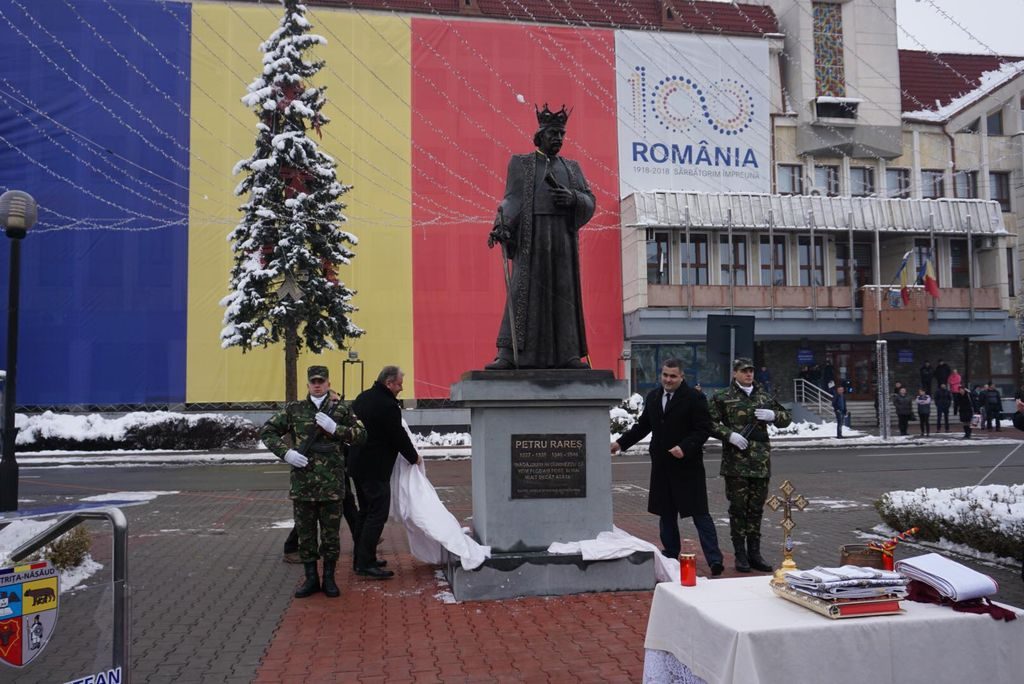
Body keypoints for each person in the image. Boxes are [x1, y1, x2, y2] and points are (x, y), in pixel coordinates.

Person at [484, 103, 596, 370]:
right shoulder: (521, 163)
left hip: (562, 239)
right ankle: (509, 353)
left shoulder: (572, 168)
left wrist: (573, 198)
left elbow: (590, 201)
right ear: (540, 135)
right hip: (530, 238)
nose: (558, 139)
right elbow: (512, 199)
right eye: (553, 134)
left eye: (561, 134)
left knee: (563, 292)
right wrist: (501, 224)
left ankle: (569, 354)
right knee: (523, 291)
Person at [611, 359, 724, 577]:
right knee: (666, 514)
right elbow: (643, 426)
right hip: (662, 466)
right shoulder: (654, 396)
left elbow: (703, 430)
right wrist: (620, 443)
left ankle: (714, 559)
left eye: (673, 376)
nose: (668, 380)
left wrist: (684, 447)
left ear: (682, 377)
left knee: (700, 514)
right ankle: (671, 555)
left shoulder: (694, 397)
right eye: (665, 375)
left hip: (687, 466)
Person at [261, 365, 367, 598]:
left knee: (330, 537)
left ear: (328, 383)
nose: (317, 385)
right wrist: (286, 453)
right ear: (308, 384)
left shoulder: (340, 410)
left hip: (331, 486)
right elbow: (267, 431)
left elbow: (361, 436)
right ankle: (311, 579)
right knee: (306, 535)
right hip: (303, 485)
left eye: (321, 381)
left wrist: (335, 428)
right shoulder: (294, 409)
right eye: (313, 381)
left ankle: (329, 578)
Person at [709, 358, 792, 573]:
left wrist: (774, 415)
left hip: (760, 463)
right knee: (738, 510)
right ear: (735, 373)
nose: (749, 375)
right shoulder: (723, 397)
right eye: (744, 371)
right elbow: (708, 422)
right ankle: (740, 554)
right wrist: (730, 435)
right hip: (736, 464)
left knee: (756, 510)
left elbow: (786, 418)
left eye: (751, 371)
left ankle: (755, 553)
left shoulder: (763, 396)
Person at [350, 365, 421, 578]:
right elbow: (397, 435)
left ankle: (361, 559)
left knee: (365, 513)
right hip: (375, 468)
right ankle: (365, 563)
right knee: (376, 515)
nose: (401, 388)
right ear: (389, 383)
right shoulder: (387, 405)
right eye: (399, 384)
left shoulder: (362, 397)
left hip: (357, 465)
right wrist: (413, 457)